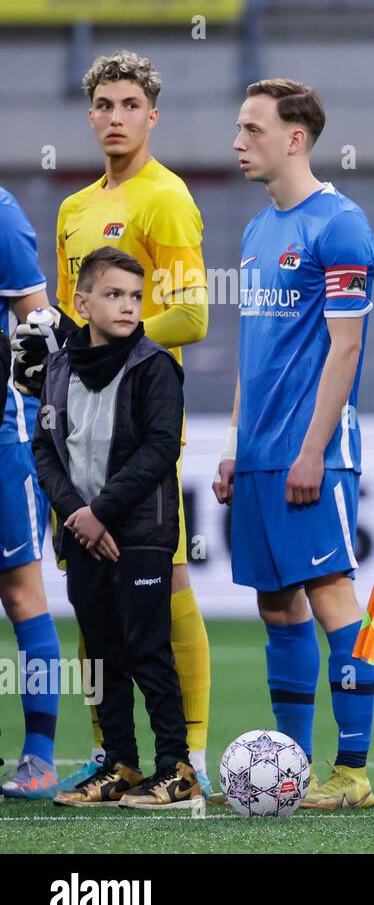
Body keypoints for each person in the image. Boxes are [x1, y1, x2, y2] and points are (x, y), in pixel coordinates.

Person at [13, 50, 213, 795]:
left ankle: (184, 754)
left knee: (166, 592)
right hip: (77, 435)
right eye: (104, 104)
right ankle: (114, 755)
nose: (116, 116)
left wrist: (111, 344)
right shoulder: (72, 209)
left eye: (131, 104)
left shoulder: (166, 198)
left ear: (152, 115)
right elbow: (69, 320)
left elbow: (192, 313)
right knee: (95, 614)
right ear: (89, 113)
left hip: (140, 434)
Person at [215, 78, 374, 810]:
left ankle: (352, 773)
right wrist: (232, 444)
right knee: (278, 607)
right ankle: (294, 772)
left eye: (253, 129)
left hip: (313, 451)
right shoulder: (256, 231)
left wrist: (313, 449)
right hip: (256, 457)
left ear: (296, 139)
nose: (238, 142)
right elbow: (254, 354)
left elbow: (346, 350)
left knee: (331, 596)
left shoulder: (340, 226)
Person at [36, 246, 197, 809]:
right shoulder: (56, 369)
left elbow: (158, 450)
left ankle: (175, 767)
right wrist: (78, 515)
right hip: (84, 531)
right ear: (81, 303)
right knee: (102, 651)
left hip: (140, 532)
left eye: (135, 295)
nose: (128, 306)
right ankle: (121, 764)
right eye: (114, 295)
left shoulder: (155, 366)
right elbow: (46, 450)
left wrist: (99, 511)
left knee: (146, 647)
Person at [0, 188, 60, 799]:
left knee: (21, 591)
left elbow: (39, 332)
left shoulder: (1, 214)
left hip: (3, 436)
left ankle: (39, 757)